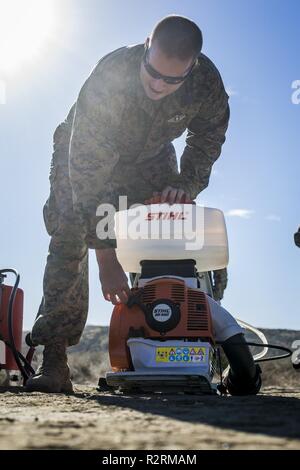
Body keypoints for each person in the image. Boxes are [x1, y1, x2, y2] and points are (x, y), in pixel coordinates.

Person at [26, 15, 261, 395]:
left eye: (172, 80)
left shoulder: (206, 83)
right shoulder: (111, 78)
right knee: (71, 227)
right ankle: (54, 360)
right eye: (153, 72)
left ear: (192, 67)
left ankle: (169, 340)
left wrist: (184, 187)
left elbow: (208, 139)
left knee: (170, 220)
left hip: (151, 156)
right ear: (146, 44)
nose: (158, 84)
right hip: (84, 153)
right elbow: (90, 185)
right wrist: (106, 259)